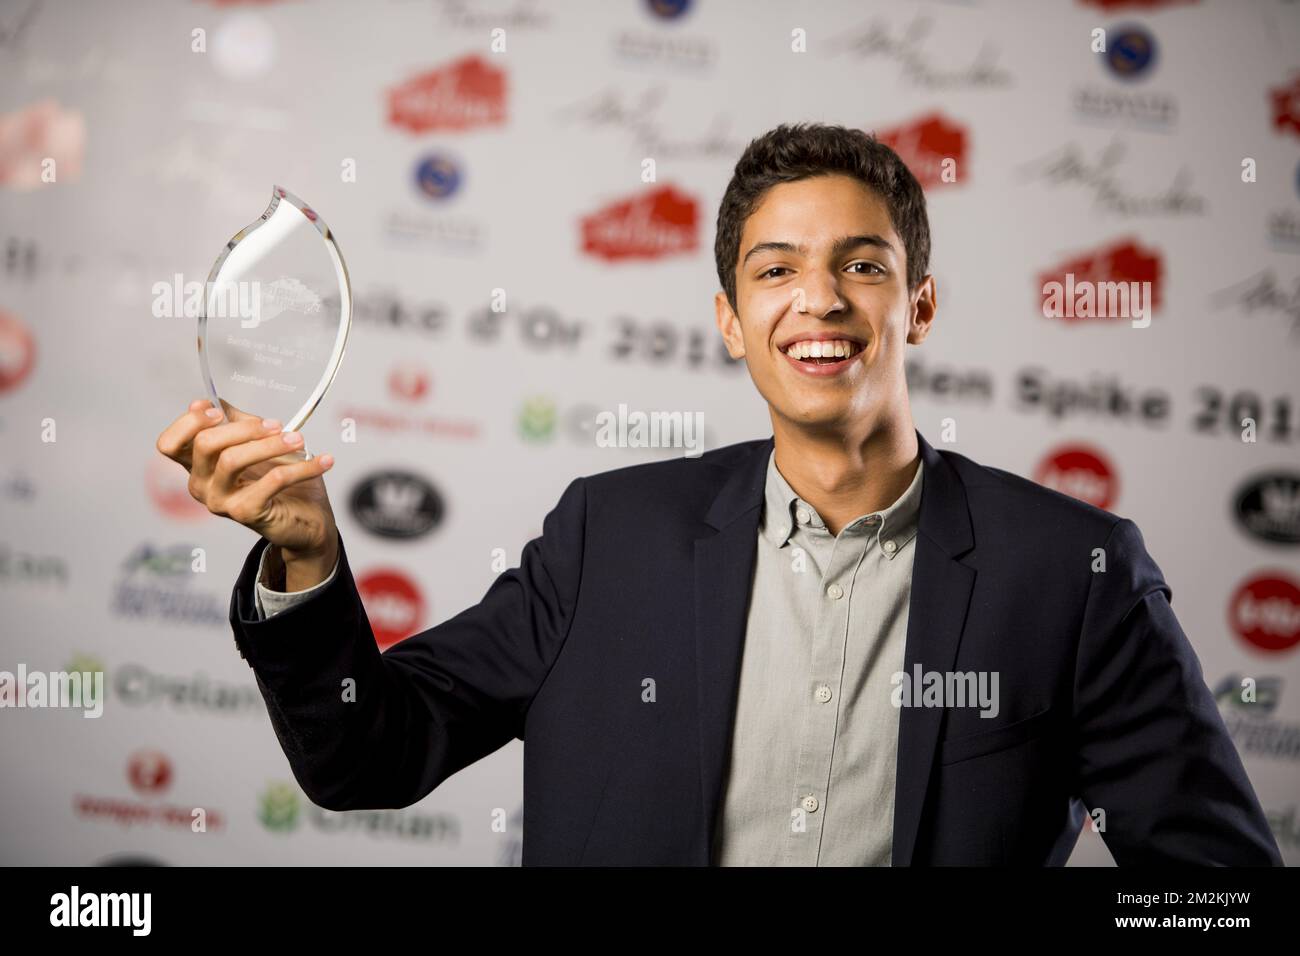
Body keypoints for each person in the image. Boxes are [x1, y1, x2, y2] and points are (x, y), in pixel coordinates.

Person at [156, 123, 1282, 866]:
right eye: (775, 268)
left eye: (863, 264)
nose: (820, 301)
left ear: (919, 306)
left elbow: (1212, 883)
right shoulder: (608, 536)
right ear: (730, 319)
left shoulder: (1072, 570)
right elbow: (370, 754)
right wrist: (305, 554)